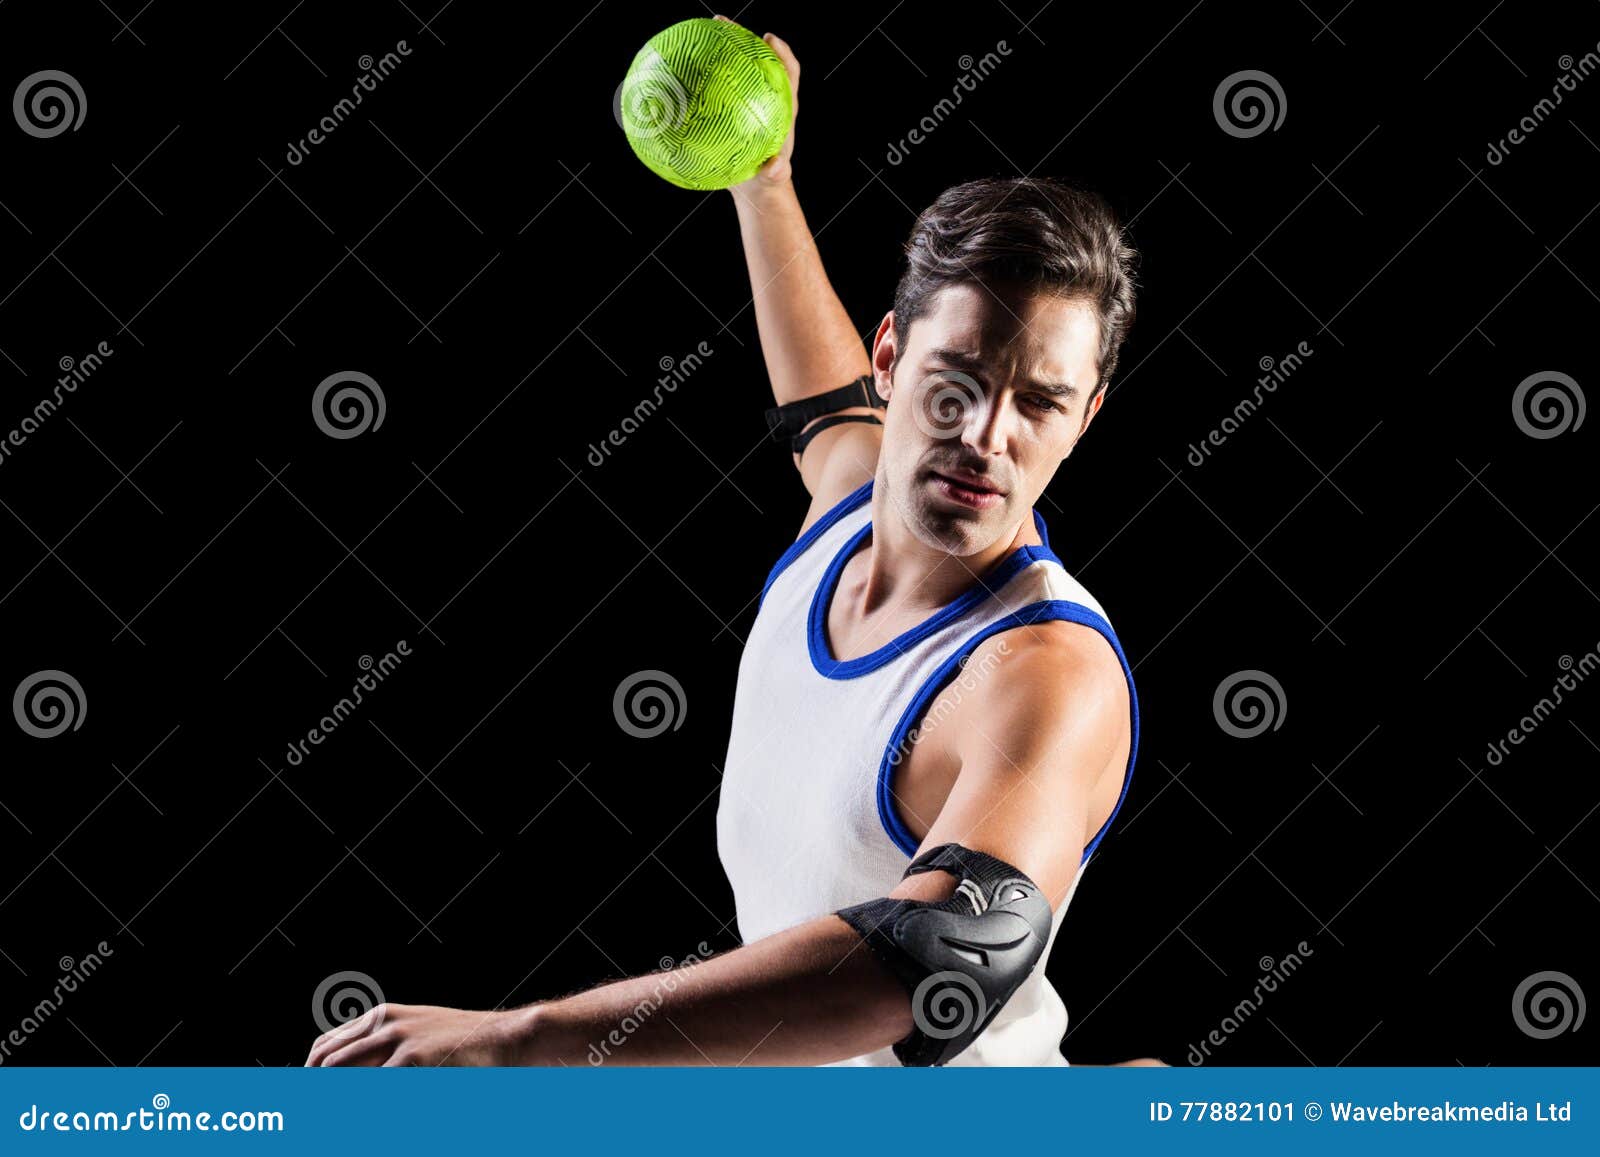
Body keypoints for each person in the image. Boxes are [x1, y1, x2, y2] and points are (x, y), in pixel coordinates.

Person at [306, 22, 1159, 1069]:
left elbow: (943, 961)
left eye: (1039, 402)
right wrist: (764, 183)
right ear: (891, 358)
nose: (985, 436)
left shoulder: (1041, 669)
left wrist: (525, 1036)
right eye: (959, 377)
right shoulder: (851, 503)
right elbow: (821, 405)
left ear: (1086, 420)